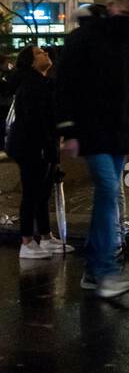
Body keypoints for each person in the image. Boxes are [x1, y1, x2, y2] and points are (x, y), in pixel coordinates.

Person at [55, 0, 129, 298]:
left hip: (108, 131)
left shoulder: (105, 40)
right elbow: (68, 86)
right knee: (109, 194)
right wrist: (70, 131)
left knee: (107, 198)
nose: (127, 18)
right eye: (125, 13)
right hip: (98, 131)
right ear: (111, 7)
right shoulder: (105, 41)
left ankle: (95, 270)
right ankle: (104, 270)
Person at [6, 45, 68, 260]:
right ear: (32, 62)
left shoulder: (41, 82)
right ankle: (27, 241)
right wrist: (45, 145)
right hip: (31, 146)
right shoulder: (32, 85)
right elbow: (35, 120)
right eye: (40, 53)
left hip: (41, 145)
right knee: (32, 193)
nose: (46, 54)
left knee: (42, 193)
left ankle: (45, 235)